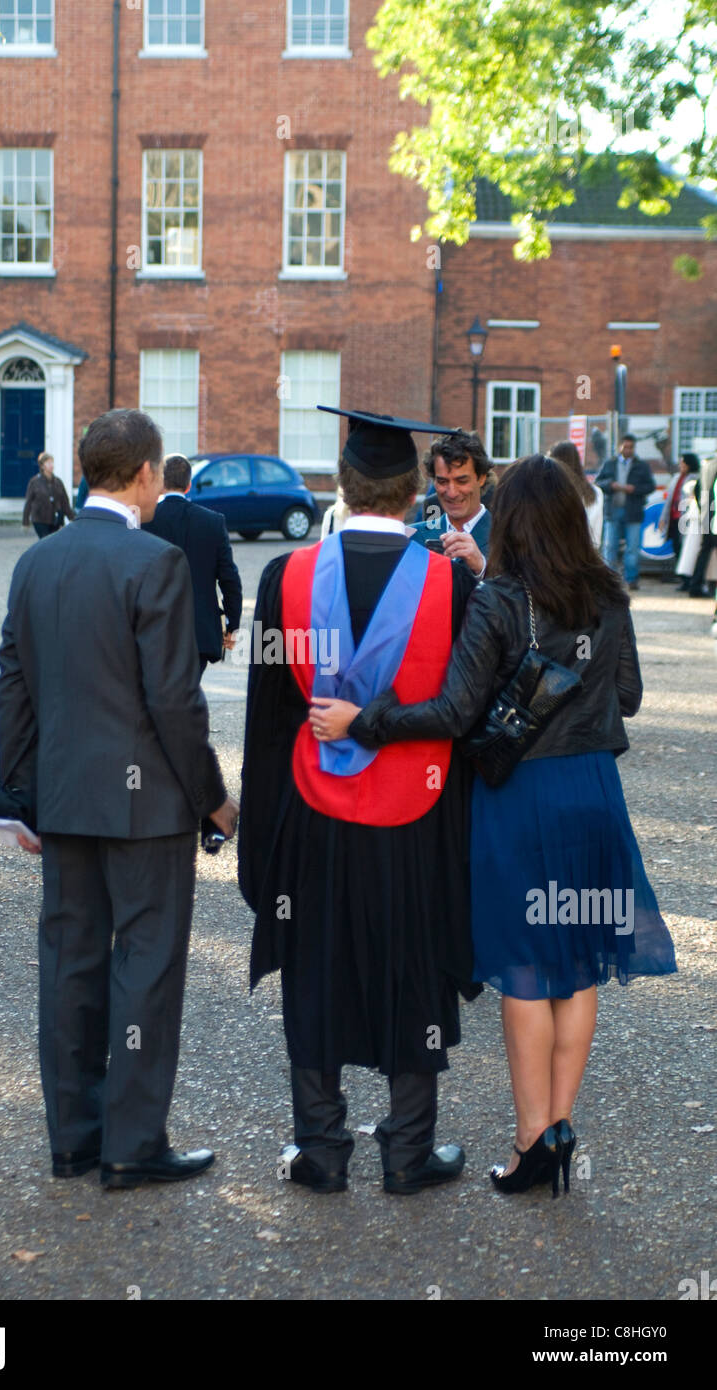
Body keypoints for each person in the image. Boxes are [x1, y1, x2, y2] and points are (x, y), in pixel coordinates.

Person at [310, 454, 676, 1196]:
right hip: (594, 795)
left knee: (525, 969)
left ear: (507, 520)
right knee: (578, 967)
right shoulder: (609, 593)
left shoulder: (499, 598)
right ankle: (561, 1127)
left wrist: (364, 721)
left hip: (519, 800)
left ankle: (529, 1140)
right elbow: (627, 697)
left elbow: (451, 713)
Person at [0, 408, 238, 1190]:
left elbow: (13, 684)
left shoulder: (37, 563)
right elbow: (174, 702)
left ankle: (73, 1140)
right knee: (145, 968)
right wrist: (213, 800)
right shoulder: (154, 560)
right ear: (143, 475)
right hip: (145, 809)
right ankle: (131, 1145)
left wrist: (20, 793)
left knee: (69, 968)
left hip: (63, 800)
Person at [239, 406, 480, 1197]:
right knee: (412, 969)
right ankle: (407, 1152)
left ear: (342, 484)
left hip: (313, 814)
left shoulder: (286, 577)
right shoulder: (449, 583)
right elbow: (465, 713)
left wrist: (261, 842)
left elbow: (272, 720)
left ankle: (321, 1147)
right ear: (416, 490)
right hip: (418, 813)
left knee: (313, 967)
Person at [142, 453, 243, 674]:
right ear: (189, 485)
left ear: (160, 483)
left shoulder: (144, 521)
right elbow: (230, 579)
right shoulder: (213, 522)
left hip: (155, 629)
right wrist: (232, 626)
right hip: (200, 631)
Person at [413, 430, 492, 578]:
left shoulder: (508, 537)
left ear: (481, 478)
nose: (452, 492)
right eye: (442, 482)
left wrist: (482, 568)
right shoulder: (413, 538)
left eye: (461, 481)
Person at [594, 434, 655, 590]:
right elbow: (598, 482)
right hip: (613, 511)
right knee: (609, 547)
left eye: (631, 447)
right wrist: (611, 485)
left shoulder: (641, 466)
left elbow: (650, 486)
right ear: (619, 446)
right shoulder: (610, 463)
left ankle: (631, 579)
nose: (628, 449)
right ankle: (609, 580)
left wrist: (635, 489)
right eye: (625, 446)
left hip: (633, 512)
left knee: (632, 548)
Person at [550, 439, 603, 547]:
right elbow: (596, 533)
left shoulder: (550, 492)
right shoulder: (596, 493)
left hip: (557, 555)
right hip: (587, 554)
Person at [659, 454, 699, 589]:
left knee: (685, 548)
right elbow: (669, 500)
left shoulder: (695, 478)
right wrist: (663, 518)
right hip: (674, 518)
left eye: (683, 463)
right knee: (676, 547)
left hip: (685, 518)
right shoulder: (676, 478)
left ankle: (688, 579)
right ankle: (683, 578)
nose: (681, 466)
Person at [22, 452, 74, 538]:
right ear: (42, 466)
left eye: (52, 462)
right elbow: (28, 502)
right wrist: (25, 521)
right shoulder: (34, 482)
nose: (51, 465)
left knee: (53, 542)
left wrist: (72, 517)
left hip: (55, 519)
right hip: (40, 519)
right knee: (45, 540)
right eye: (48, 463)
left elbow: (65, 501)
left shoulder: (58, 482)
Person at [687, 453, 717, 599]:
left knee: (705, 552)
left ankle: (696, 584)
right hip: (714, 516)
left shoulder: (707, 465)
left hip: (707, 514)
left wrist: (703, 510)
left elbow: (698, 489)